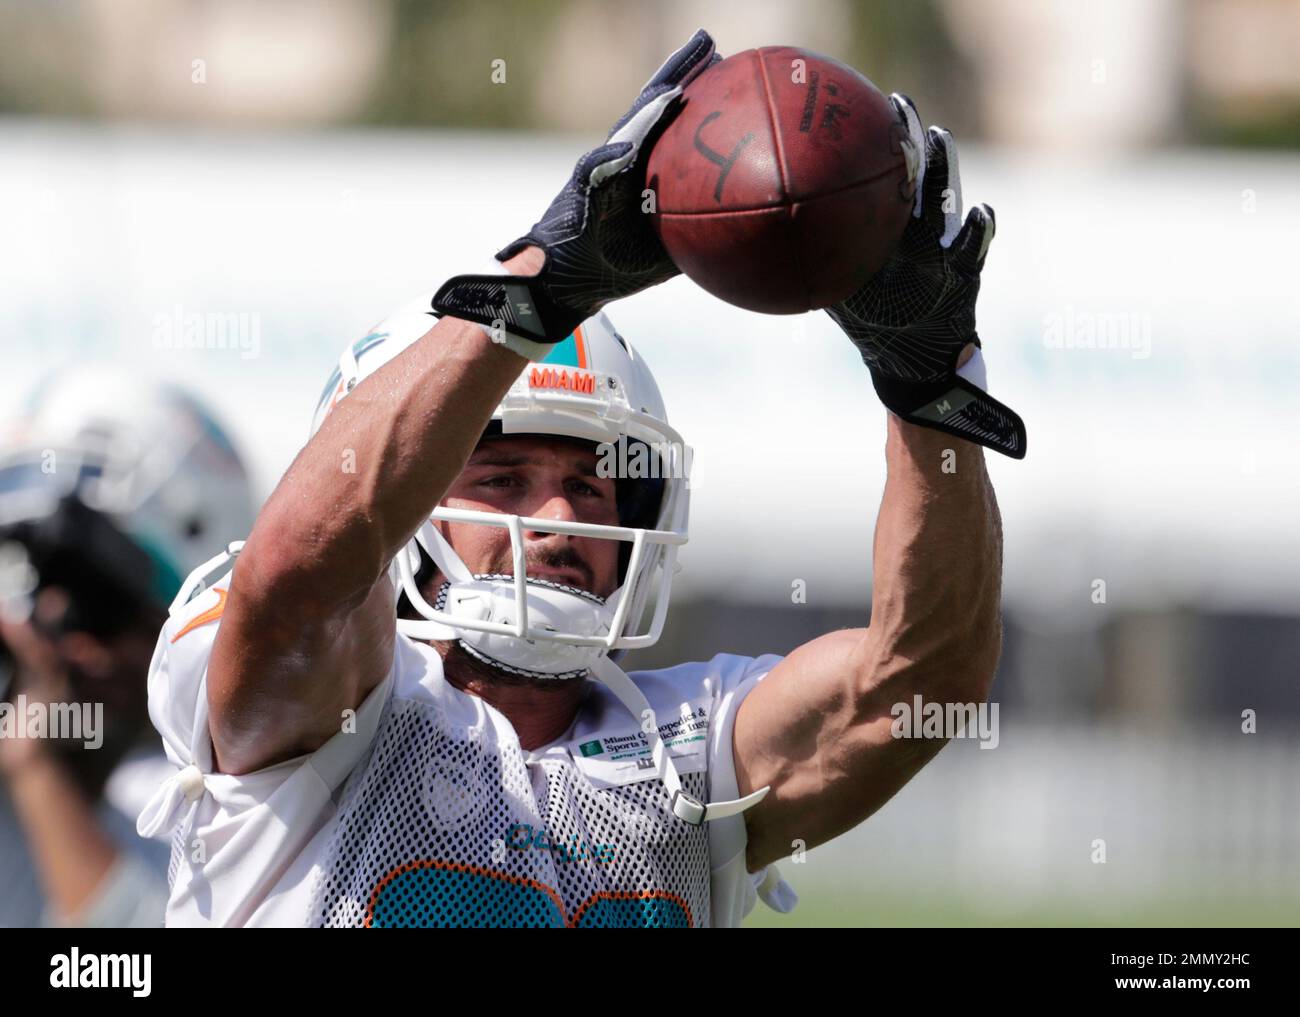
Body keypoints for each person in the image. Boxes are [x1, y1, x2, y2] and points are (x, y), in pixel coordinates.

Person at [138, 29, 1023, 927]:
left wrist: (928, 396)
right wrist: (539, 289)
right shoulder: (338, 709)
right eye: (506, 474)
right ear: (411, 489)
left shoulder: (685, 748)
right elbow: (301, 572)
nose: (560, 517)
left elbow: (922, 680)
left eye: (595, 482)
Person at [0, 370, 255, 926]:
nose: (58, 638)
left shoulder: (200, 816)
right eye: (34, 581)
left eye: (98, 603)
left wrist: (33, 765)